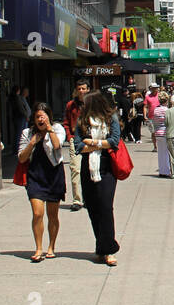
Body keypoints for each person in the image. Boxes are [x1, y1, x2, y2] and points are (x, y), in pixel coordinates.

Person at [74, 91, 123, 266]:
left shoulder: (111, 119)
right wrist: (100, 143)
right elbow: (78, 145)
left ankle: (109, 249)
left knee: (105, 207)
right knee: (93, 208)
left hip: (106, 167)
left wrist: (92, 143)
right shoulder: (82, 121)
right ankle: (101, 246)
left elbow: (114, 141)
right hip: (88, 168)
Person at [19, 103, 67, 261]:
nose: (40, 119)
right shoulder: (27, 133)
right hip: (35, 176)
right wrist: (32, 142)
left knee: (52, 214)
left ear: (49, 116)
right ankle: (38, 248)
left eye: (43, 116)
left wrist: (49, 129)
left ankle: (51, 246)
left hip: (54, 175)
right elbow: (21, 158)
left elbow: (56, 145)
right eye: (37, 116)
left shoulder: (58, 128)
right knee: (37, 213)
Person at [62, 79, 89, 211]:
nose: (81, 91)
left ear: (88, 89)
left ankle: (88, 198)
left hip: (90, 139)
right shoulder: (71, 105)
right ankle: (77, 200)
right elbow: (66, 121)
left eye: (83, 88)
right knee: (75, 169)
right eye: (79, 89)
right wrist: (69, 136)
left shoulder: (92, 104)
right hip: (75, 139)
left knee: (90, 169)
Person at [153, 89, 171, 177]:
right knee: (166, 153)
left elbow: (155, 121)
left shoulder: (156, 110)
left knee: (160, 153)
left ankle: (161, 170)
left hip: (157, 133)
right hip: (165, 132)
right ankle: (166, 171)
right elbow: (168, 122)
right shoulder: (167, 110)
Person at [144, 85, 161, 152]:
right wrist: (145, 115)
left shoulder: (160, 96)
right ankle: (155, 146)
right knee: (153, 132)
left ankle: (160, 146)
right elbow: (145, 106)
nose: (155, 90)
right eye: (154, 88)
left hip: (159, 116)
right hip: (151, 117)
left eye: (156, 88)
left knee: (160, 132)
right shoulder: (148, 97)